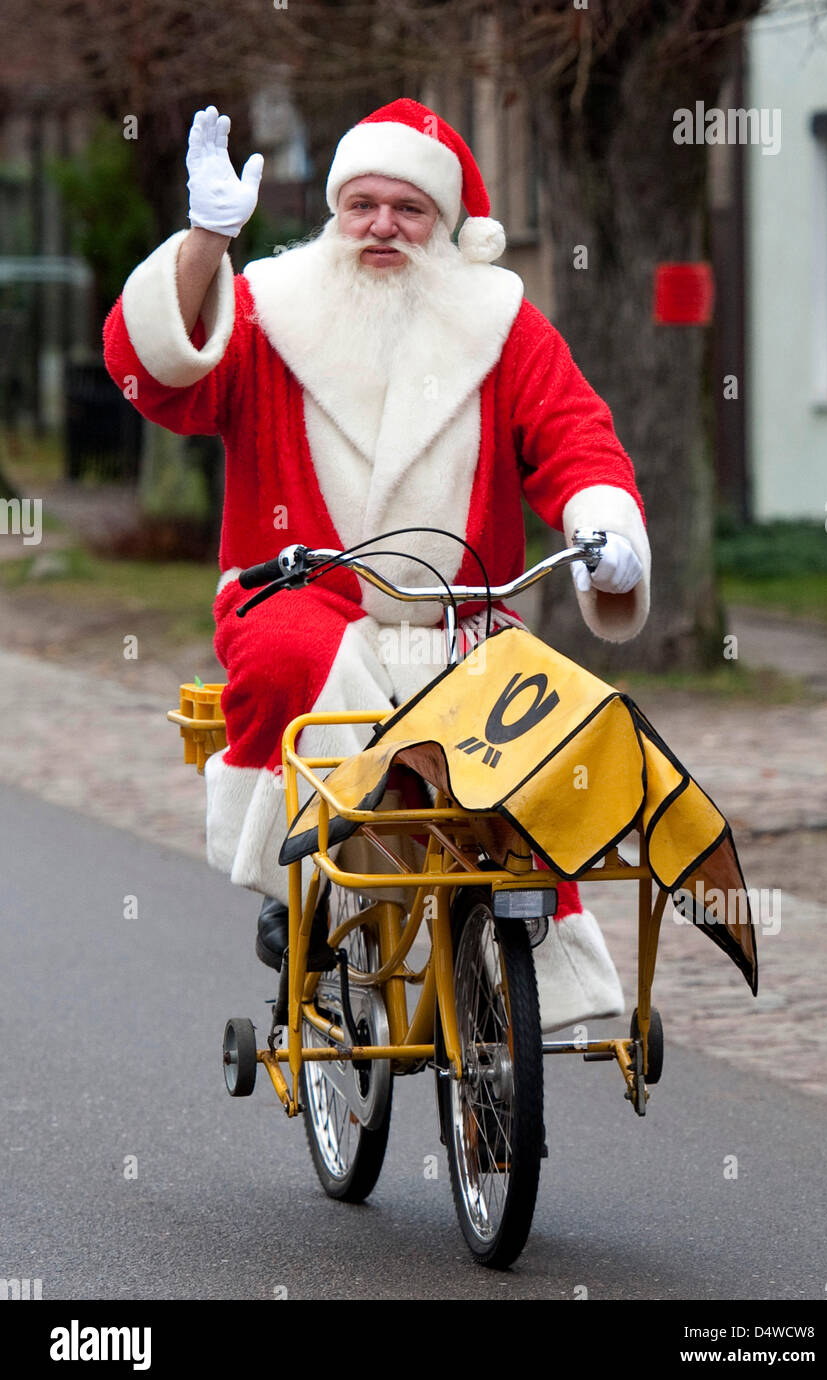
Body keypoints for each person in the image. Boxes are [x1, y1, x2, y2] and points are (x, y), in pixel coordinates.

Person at [103, 98, 651, 1031]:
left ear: (442, 226)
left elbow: (574, 437)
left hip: (461, 613)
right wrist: (203, 241)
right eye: (362, 205)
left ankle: (515, 975)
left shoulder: (501, 325)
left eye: (408, 207)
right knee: (289, 658)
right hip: (298, 594)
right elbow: (157, 372)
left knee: (540, 727)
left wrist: (604, 528)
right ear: (332, 212)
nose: (383, 226)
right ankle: (302, 877)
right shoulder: (269, 309)